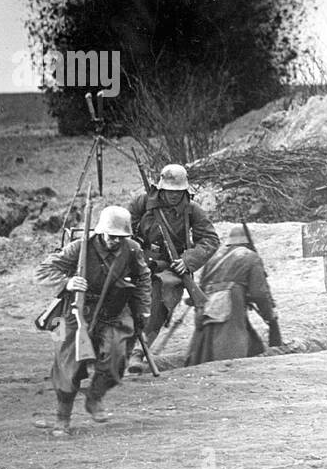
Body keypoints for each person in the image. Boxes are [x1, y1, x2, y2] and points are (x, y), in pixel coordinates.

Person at [36, 205, 152, 436]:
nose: (116, 242)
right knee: (68, 362)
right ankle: (63, 417)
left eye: (121, 237)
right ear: (100, 232)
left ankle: (95, 396)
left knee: (117, 357)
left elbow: (143, 278)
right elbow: (43, 271)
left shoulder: (132, 249)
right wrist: (67, 282)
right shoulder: (79, 248)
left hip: (114, 309)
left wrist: (143, 311)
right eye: (112, 236)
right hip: (78, 310)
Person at [128, 164, 219, 349]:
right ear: (161, 187)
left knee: (160, 295)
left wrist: (187, 261)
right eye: (170, 190)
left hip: (170, 266)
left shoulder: (192, 210)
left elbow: (210, 239)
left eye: (179, 191)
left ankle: (141, 348)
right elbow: (126, 227)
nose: (174, 195)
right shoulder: (143, 202)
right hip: (139, 259)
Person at [185, 225, 282, 365]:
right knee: (231, 354)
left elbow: (201, 288)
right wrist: (270, 317)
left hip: (208, 308)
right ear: (247, 241)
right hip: (231, 307)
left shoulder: (214, 258)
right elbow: (259, 293)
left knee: (206, 353)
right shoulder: (251, 257)